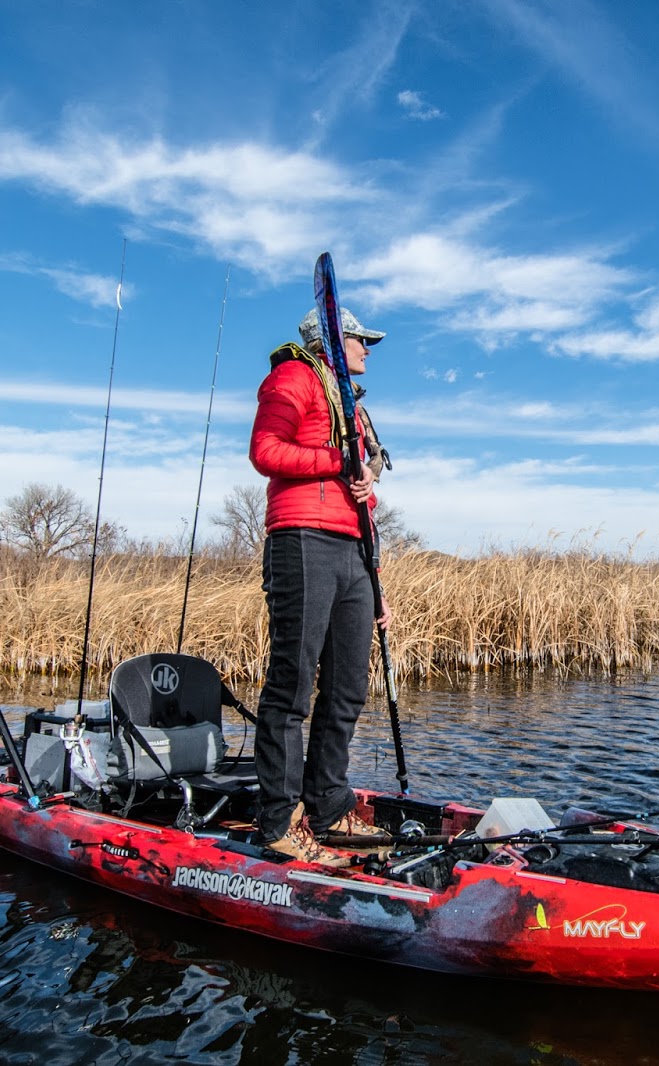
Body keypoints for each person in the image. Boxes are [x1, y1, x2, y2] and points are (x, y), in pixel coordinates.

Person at [248, 305, 393, 866]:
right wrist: (339, 459)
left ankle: (328, 807)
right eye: (361, 339)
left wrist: (376, 580)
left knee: (347, 688)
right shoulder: (293, 377)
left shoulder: (351, 405)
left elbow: (361, 492)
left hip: (352, 550)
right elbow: (266, 451)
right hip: (301, 538)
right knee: (291, 685)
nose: (367, 349)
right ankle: (280, 822)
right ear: (332, 339)